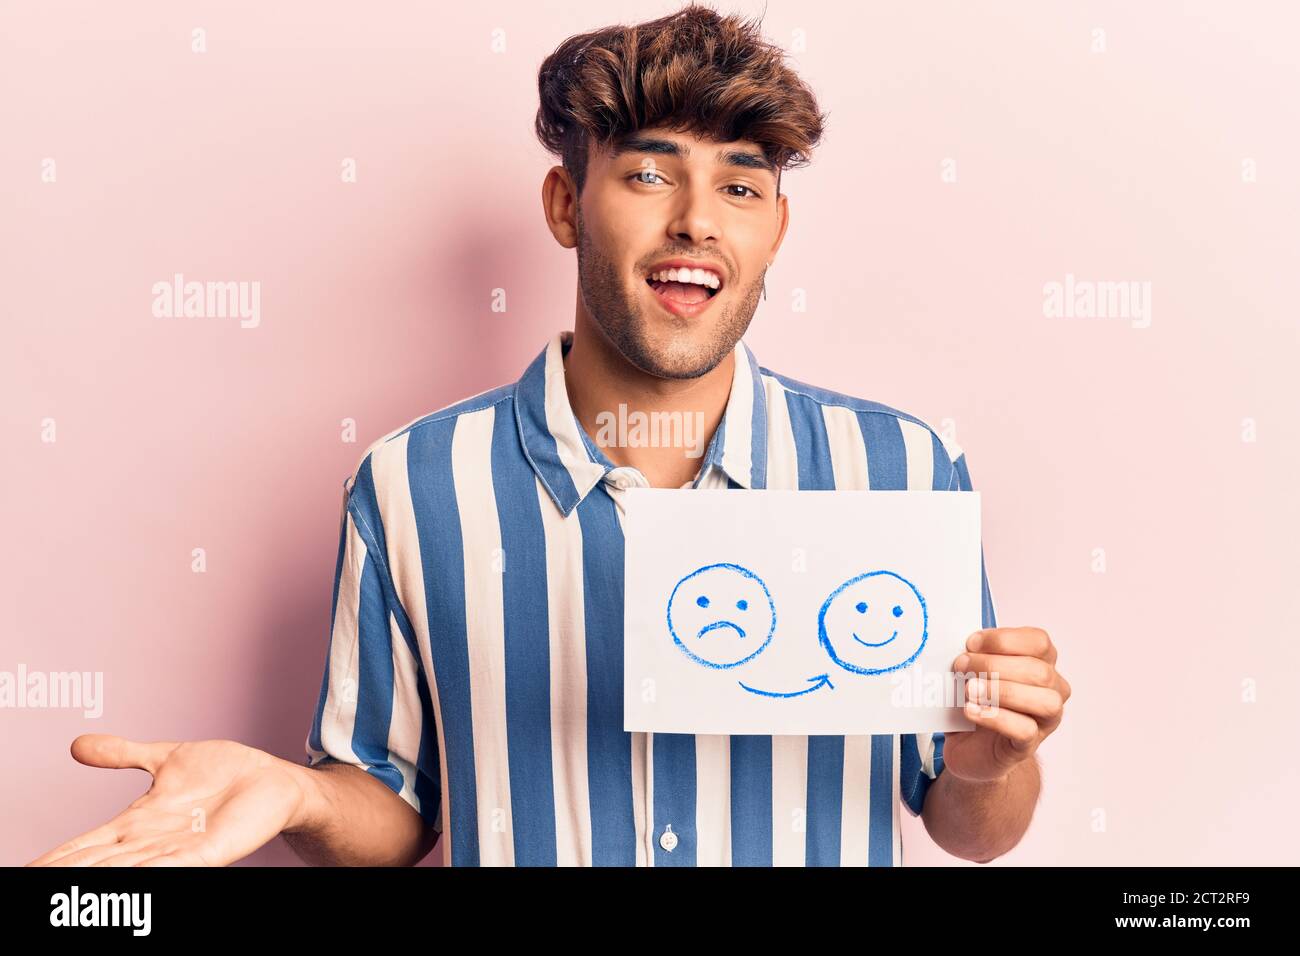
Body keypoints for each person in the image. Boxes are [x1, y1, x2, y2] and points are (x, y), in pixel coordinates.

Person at [28, 3, 1070, 868]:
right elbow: (391, 810)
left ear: (775, 231)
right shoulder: (411, 484)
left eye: (741, 187)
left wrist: (991, 763)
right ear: (566, 203)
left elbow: (971, 823)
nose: (697, 221)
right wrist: (297, 795)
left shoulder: (900, 473)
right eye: (649, 175)